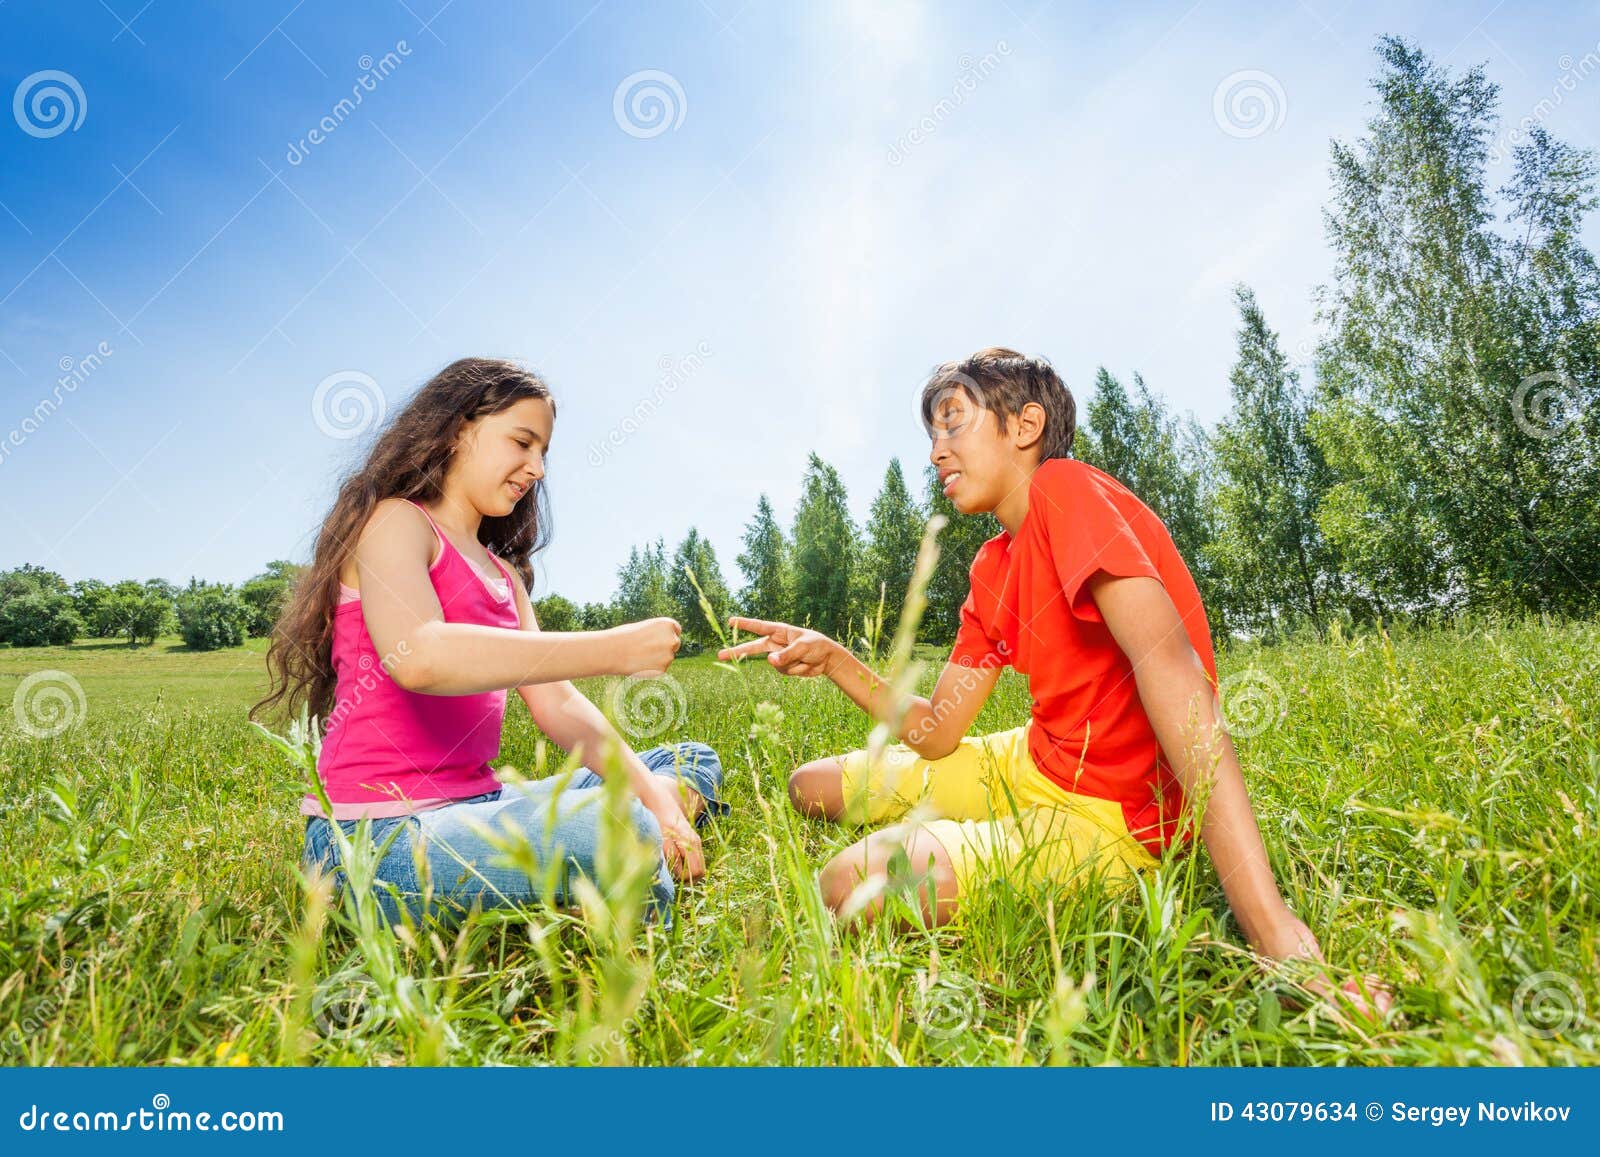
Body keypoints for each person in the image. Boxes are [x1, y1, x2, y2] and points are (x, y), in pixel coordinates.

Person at [718, 347, 1386, 1015]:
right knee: (808, 785)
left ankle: (992, 838)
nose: (936, 453)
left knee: (850, 883)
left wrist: (1274, 933)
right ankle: (991, 817)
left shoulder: (1067, 491)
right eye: (930, 436)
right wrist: (837, 659)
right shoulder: (993, 566)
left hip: (1117, 818)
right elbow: (936, 729)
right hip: (1036, 759)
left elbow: (1175, 674)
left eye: (952, 422)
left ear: (1025, 425)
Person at [255, 357, 726, 925]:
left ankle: (640, 832)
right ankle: (632, 870)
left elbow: (562, 706)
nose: (537, 469)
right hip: (375, 840)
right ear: (458, 430)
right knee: (625, 823)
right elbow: (422, 656)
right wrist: (612, 650)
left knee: (686, 761)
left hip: (477, 807)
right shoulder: (395, 524)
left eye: (543, 452)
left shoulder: (505, 578)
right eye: (522, 442)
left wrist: (658, 802)